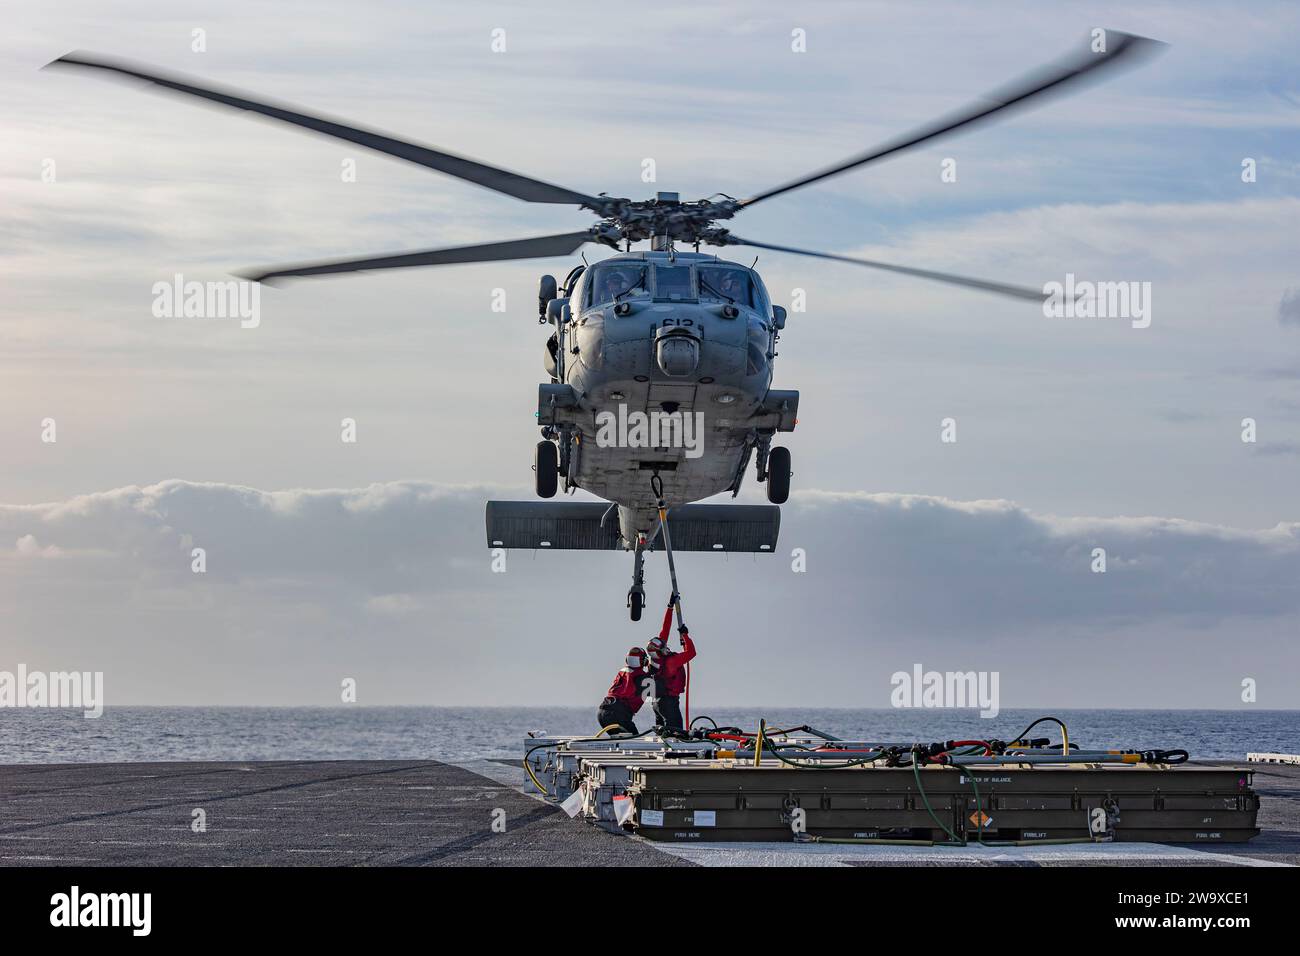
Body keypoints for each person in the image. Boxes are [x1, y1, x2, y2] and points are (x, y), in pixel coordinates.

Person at [646, 594, 696, 731]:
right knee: (676, 733)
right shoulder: (671, 662)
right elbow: (691, 653)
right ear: (660, 650)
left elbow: (665, 630)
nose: (665, 646)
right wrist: (685, 635)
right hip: (668, 703)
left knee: (663, 733)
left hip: (656, 704)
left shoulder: (654, 659)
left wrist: (670, 607)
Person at [597, 646, 650, 735]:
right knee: (635, 740)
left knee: (619, 741)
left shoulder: (623, 672)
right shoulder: (641, 677)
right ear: (644, 662)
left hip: (602, 712)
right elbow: (654, 692)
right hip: (617, 714)